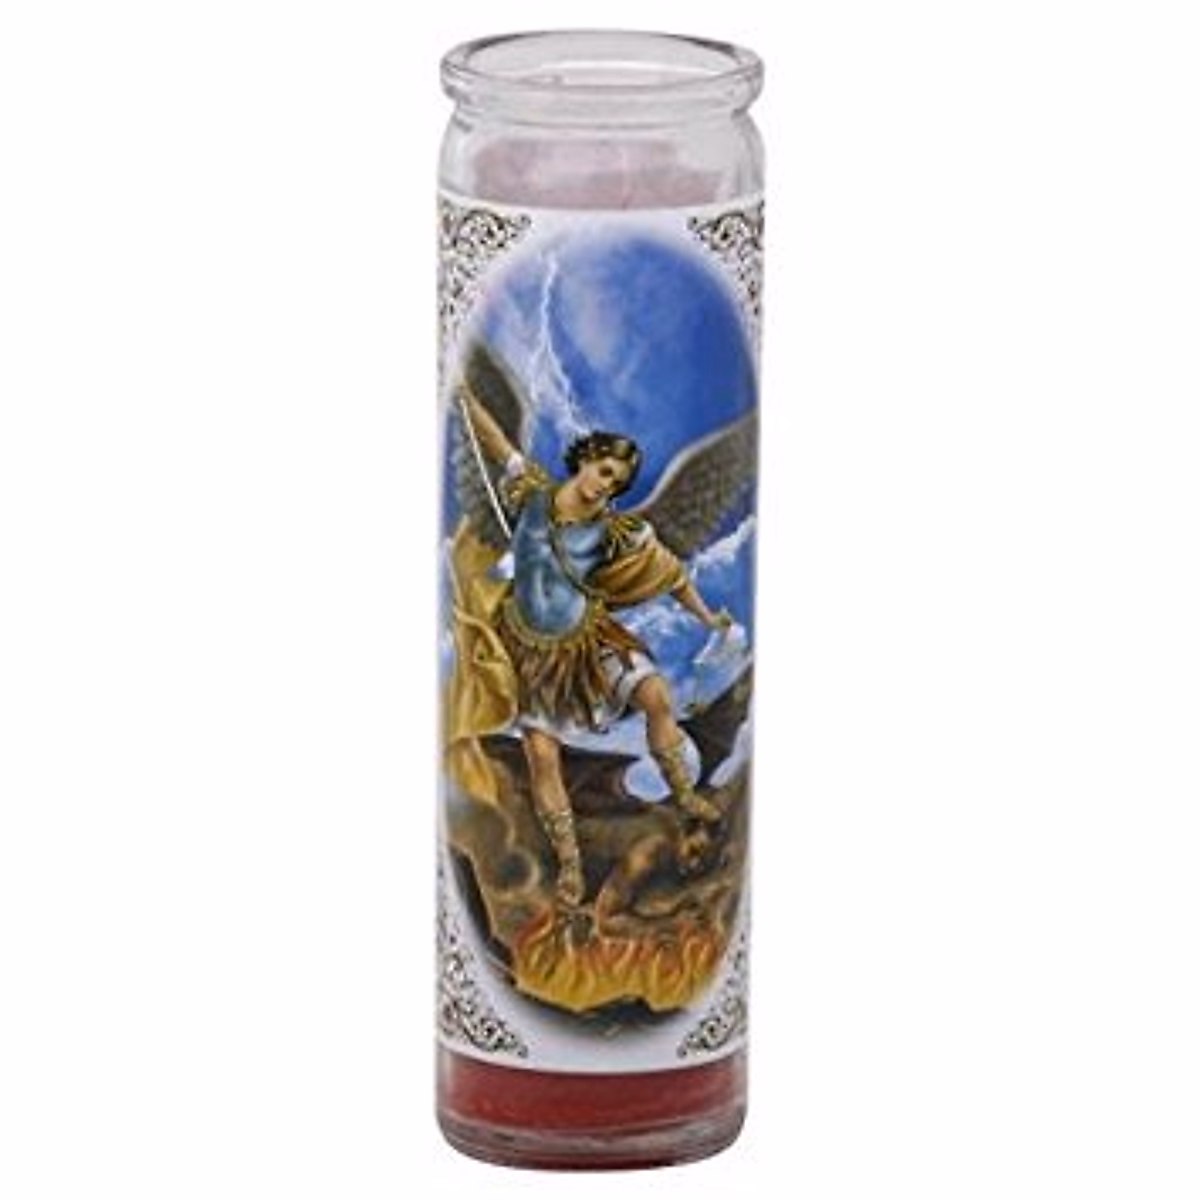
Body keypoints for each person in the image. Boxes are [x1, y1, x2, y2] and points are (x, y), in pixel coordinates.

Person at [450, 383, 731, 907]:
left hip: (587, 642)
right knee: (542, 754)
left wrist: (707, 616)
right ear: (585, 460)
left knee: (655, 696)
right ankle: (570, 864)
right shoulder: (531, 492)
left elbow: (670, 574)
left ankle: (685, 794)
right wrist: (464, 395)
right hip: (530, 652)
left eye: (618, 481)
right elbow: (492, 440)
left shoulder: (614, 532)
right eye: (605, 471)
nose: (608, 485)